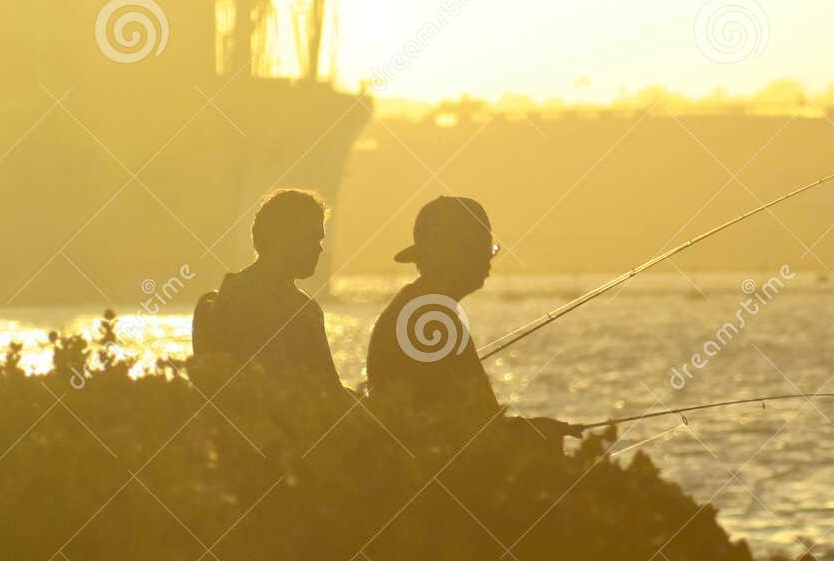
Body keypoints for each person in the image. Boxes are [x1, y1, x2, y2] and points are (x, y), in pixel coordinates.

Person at [366, 196, 579, 442]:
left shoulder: (422, 308)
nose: (488, 262)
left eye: (489, 251)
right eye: (480, 252)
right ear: (453, 257)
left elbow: (465, 420)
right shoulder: (428, 316)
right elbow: (469, 429)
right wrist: (532, 433)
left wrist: (528, 428)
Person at [193, 188, 345, 398]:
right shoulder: (302, 311)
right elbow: (330, 391)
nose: (319, 249)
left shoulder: (217, 300)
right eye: (312, 239)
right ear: (285, 239)